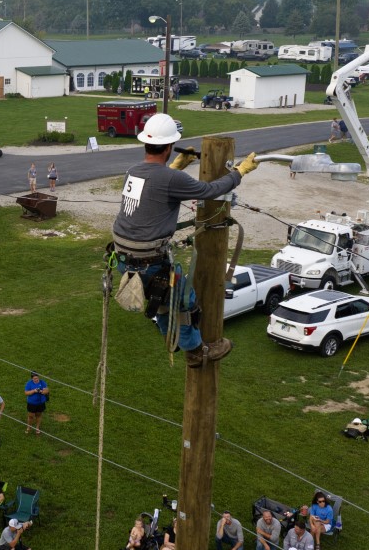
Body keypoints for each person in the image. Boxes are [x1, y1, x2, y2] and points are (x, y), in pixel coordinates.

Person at [111, 113, 259, 366]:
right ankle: (197, 352)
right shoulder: (170, 179)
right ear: (169, 147)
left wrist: (178, 165)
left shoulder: (133, 172)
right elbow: (211, 190)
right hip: (150, 261)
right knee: (183, 304)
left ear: (146, 143)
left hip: (124, 258)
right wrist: (239, 172)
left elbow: (154, 185)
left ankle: (174, 338)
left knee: (162, 302)